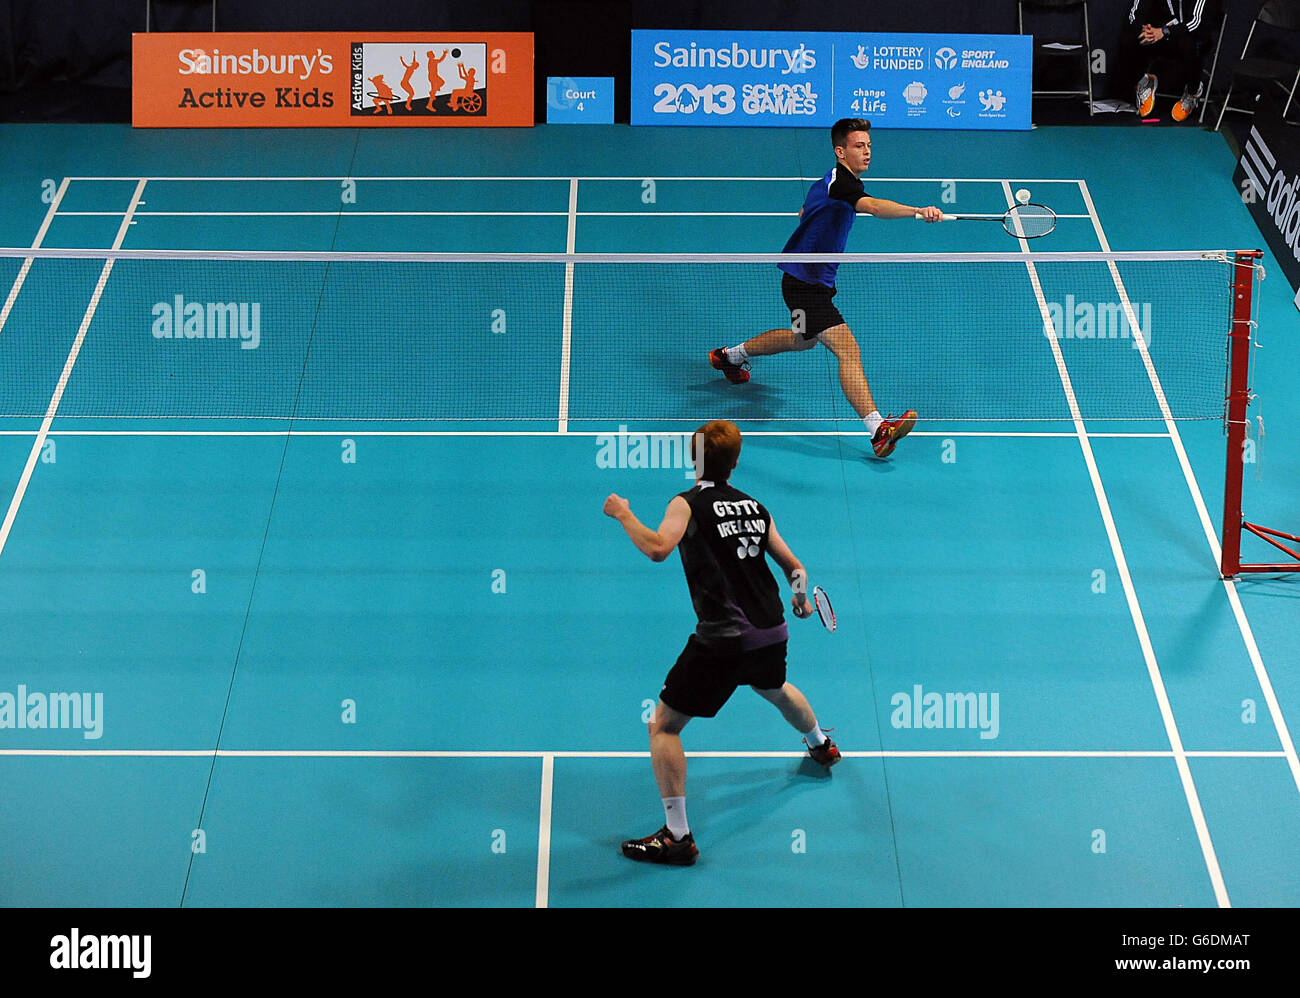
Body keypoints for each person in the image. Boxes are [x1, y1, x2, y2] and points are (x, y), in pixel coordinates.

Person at [603, 419, 840, 866]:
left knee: (664, 726)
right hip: (772, 630)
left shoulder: (687, 502)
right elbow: (795, 567)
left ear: (695, 459)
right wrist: (800, 597)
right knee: (773, 687)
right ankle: (820, 745)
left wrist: (623, 513)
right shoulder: (755, 507)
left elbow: (657, 548)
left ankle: (677, 837)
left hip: (724, 640)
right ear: (735, 462)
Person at [709, 118, 943, 459]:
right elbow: (875, 207)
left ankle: (728, 357)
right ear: (840, 151)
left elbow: (805, 211)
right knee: (848, 349)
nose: (866, 152)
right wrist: (919, 212)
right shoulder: (841, 184)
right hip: (806, 286)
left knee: (801, 340)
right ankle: (878, 429)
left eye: (869, 146)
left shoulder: (828, 182)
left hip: (806, 281)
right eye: (858, 146)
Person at [1117, 0, 1220, 121]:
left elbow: (1195, 22)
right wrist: (1144, 30)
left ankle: (1193, 92)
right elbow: (1135, 13)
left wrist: (1164, 32)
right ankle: (1145, 81)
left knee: (1189, 45)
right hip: (1163, 31)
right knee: (1131, 37)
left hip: (1193, 34)